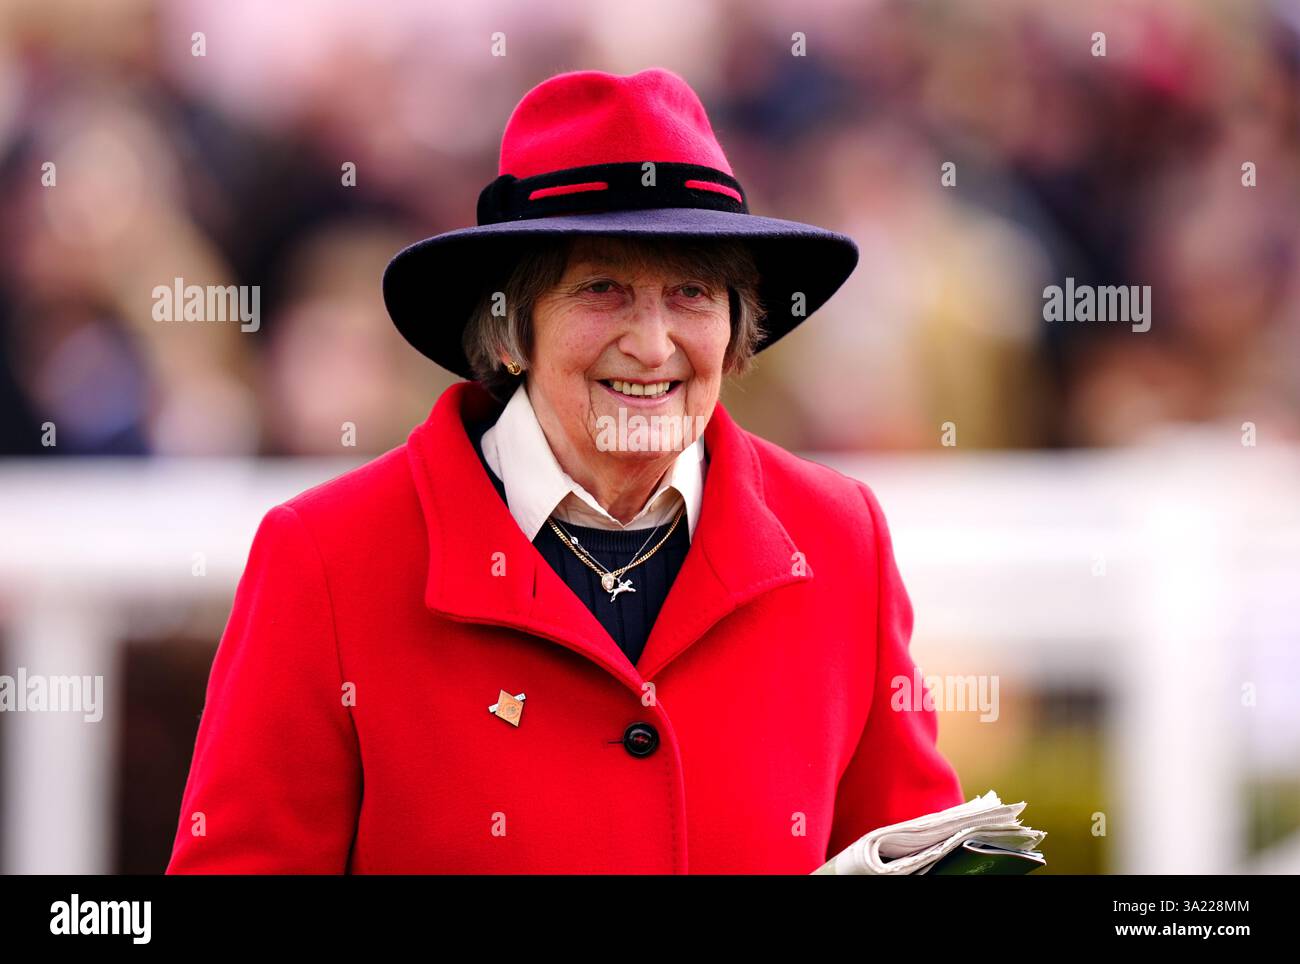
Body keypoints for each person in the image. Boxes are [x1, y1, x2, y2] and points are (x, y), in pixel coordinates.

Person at [166, 67, 963, 874]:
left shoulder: (837, 539)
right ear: (509, 331)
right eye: (602, 289)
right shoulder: (328, 558)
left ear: (735, 330)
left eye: (691, 293)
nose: (653, 346)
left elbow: (920, 852)